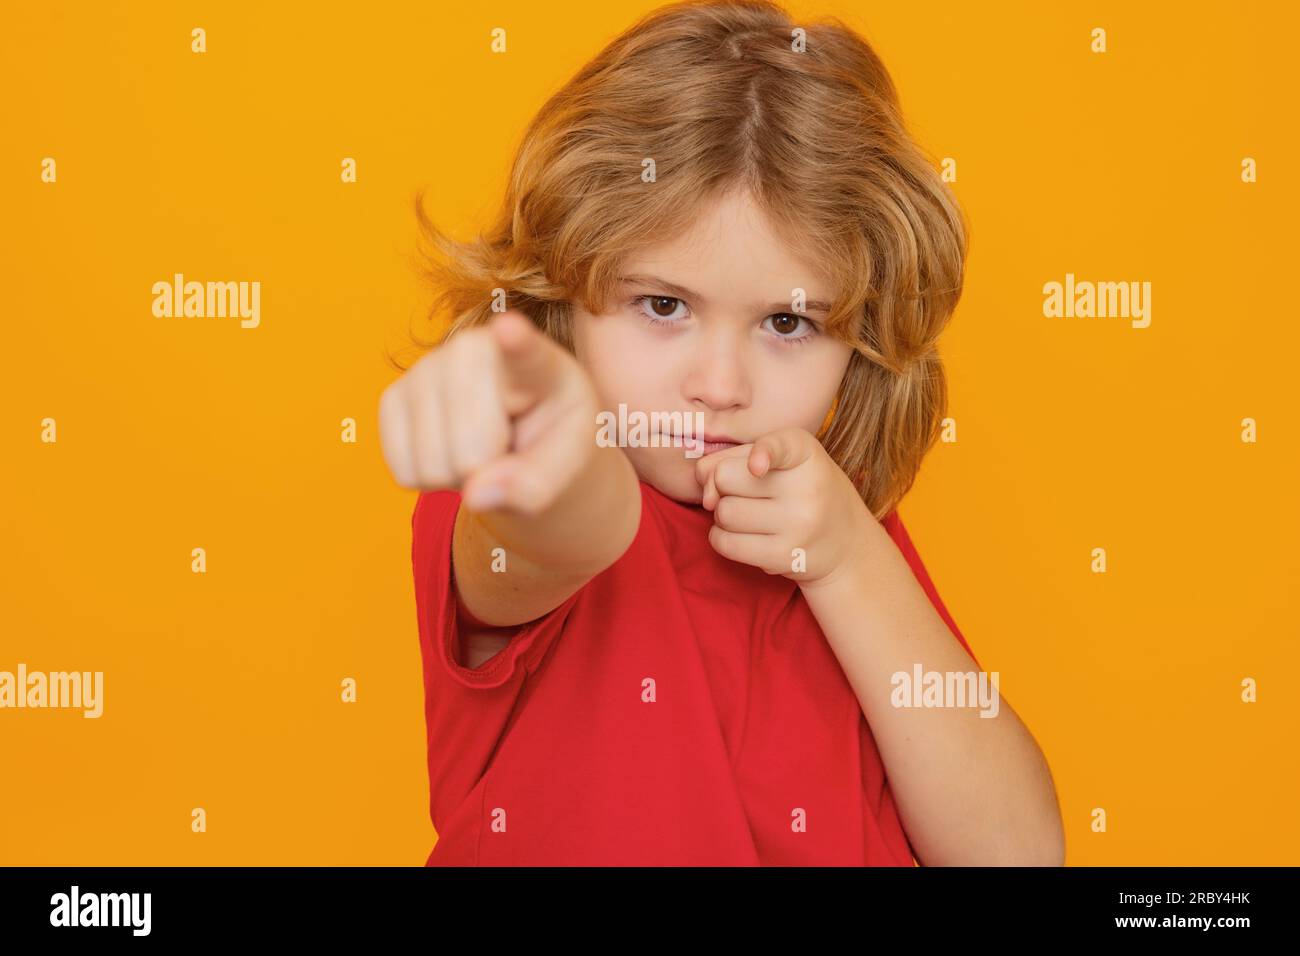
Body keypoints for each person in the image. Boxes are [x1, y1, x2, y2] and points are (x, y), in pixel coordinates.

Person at [379, 0, 1064, 866]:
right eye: (662, 305)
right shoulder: (512, 489)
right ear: (563, 299)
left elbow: (1015, 854)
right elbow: (549, 530)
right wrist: (546, 433)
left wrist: (852, 558)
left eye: (786, 323)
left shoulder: (838, 526)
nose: (719, 387)